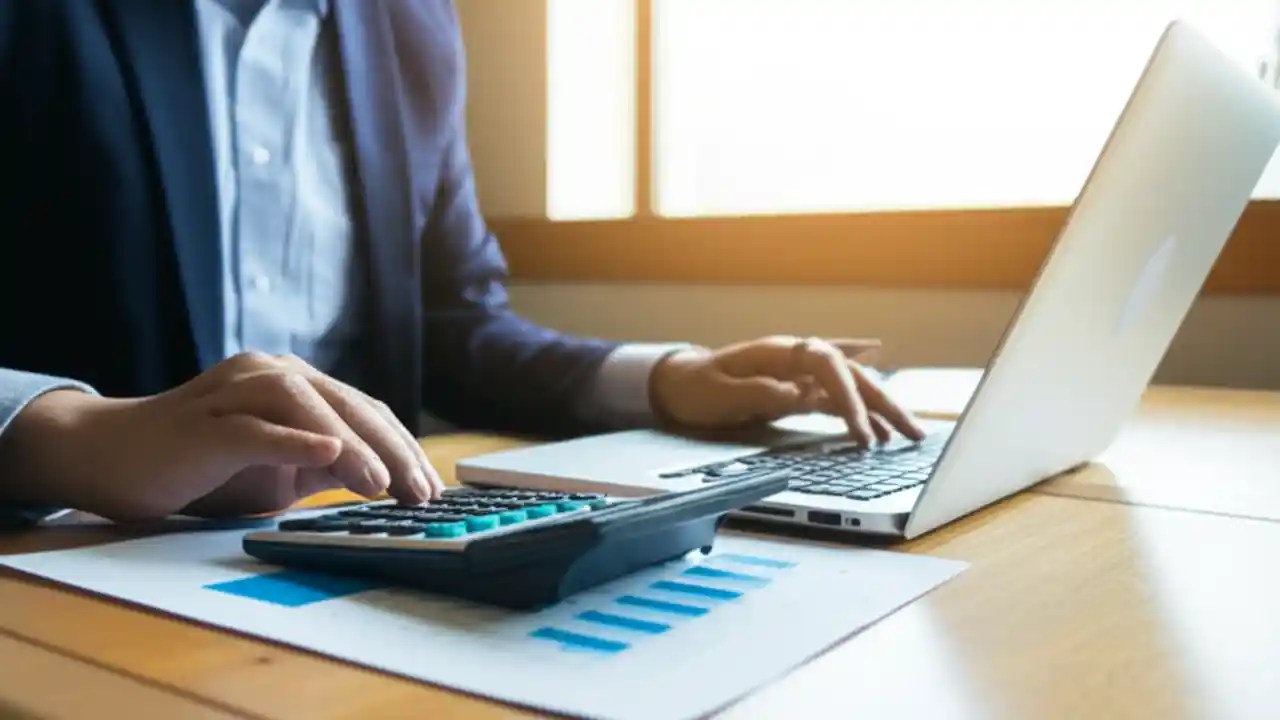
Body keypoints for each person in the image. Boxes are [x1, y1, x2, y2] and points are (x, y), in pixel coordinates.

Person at [0, 1, 922, 524]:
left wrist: (667, 380)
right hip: (69, 555)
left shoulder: (410, 27)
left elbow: (452, 324)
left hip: (349, 535)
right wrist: (70, 437)